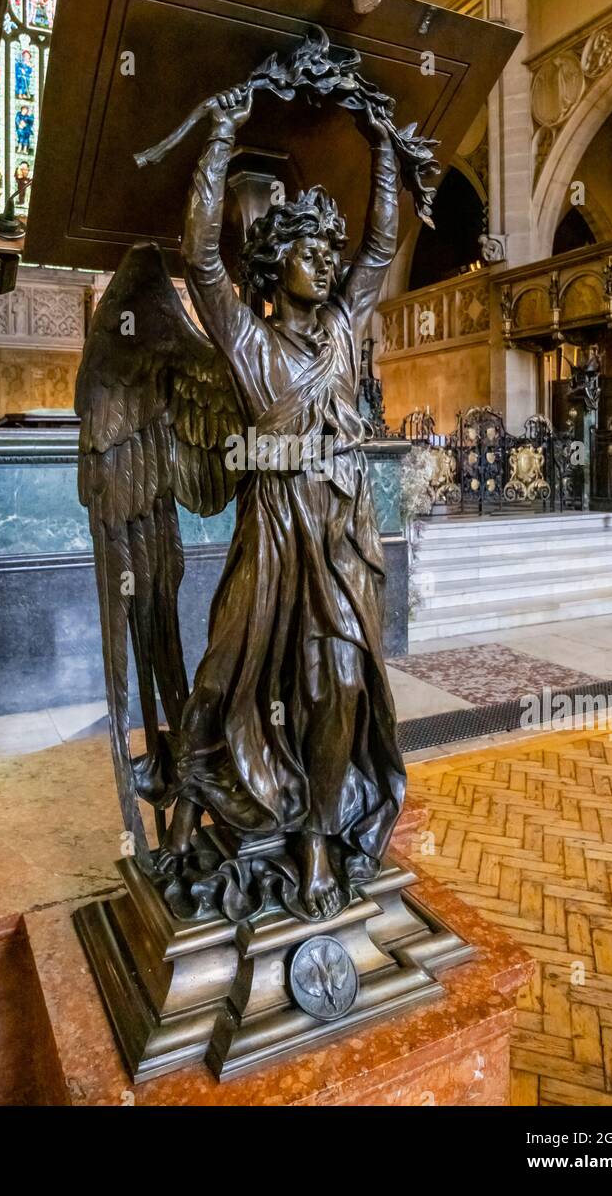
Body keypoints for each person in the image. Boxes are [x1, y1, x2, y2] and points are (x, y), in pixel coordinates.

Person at [156, 85, 405, 920]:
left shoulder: (341, 330)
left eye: (327, 251)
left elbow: (381, 247)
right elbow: (198, 256)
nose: (327, 262)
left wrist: (385, 151)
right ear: (274, 265)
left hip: (338, 531)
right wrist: (221, 131)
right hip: (271, 534)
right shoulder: (246, 341)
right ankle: (190, 803)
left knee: (336, 682)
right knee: (225, 676)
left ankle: (313, 840)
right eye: (308, 250)